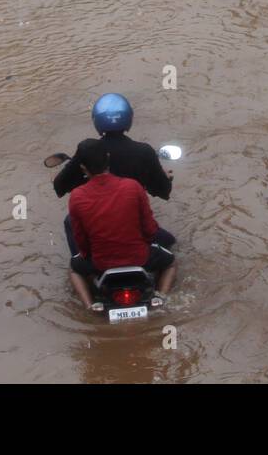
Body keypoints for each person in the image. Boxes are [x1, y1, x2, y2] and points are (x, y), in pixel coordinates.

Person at [53, 92, 175, 247]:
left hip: (97, 227)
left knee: (70, 220)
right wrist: (166, 178)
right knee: (171, 243)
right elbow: (164, 191)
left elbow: (59, 186)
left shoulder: (88, 151)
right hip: (132, 223)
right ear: (129, 118)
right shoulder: (144, 151)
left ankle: (78, 262)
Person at [65, 144, 176, 311]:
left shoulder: (77, 196)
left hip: (100, 262)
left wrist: (89, 256)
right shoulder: (133, 186)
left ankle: (89, 307)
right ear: (108, 160)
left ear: (83, 168)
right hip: (140, 257)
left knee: (74, 270)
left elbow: (80, 239)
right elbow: (150, 229)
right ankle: (161, 299)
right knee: (171, 263)